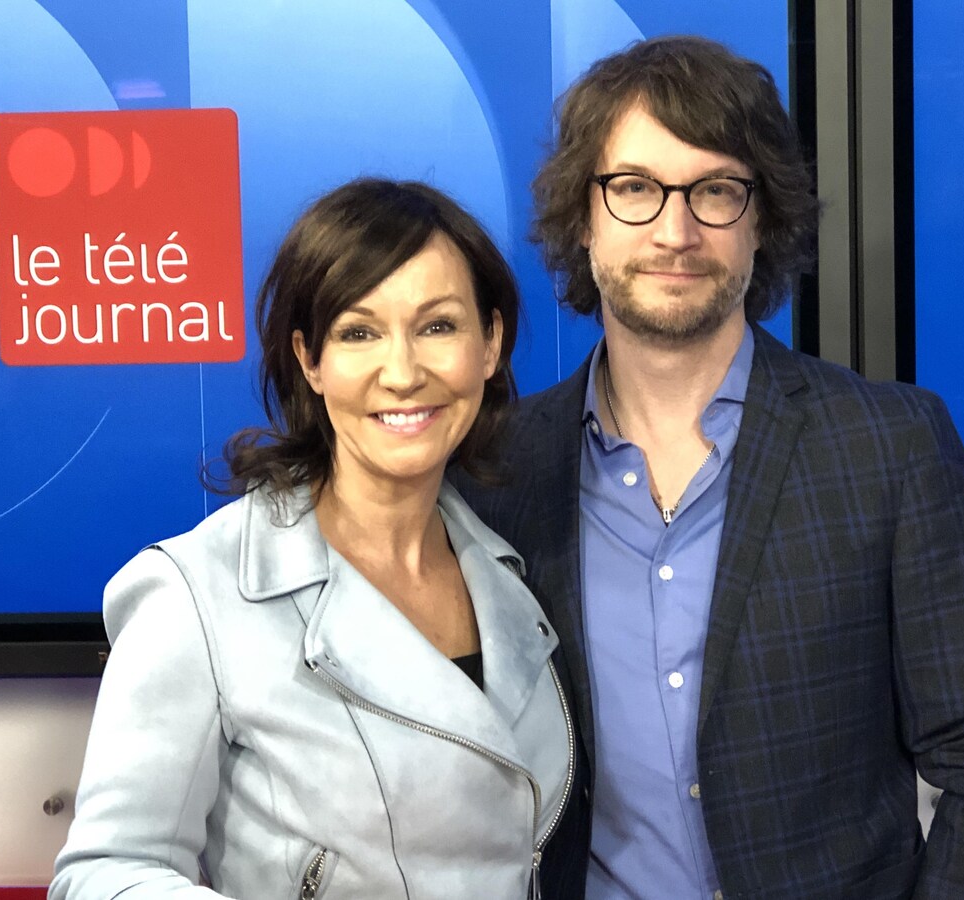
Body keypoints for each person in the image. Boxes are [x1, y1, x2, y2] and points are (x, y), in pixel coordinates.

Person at [454, 36, 964, 900]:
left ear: (762, 218)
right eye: (633, 189)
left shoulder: (890, 446)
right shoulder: (493, 470)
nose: (675, 230)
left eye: (716, 191)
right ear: (582, 219)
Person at [51, 178, 573, 900]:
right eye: (359, 332)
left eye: (438, 326)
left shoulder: (510, 569)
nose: (403, 372)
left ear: (490, 345)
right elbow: (103, 875)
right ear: (310, 359)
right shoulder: (196, 593)